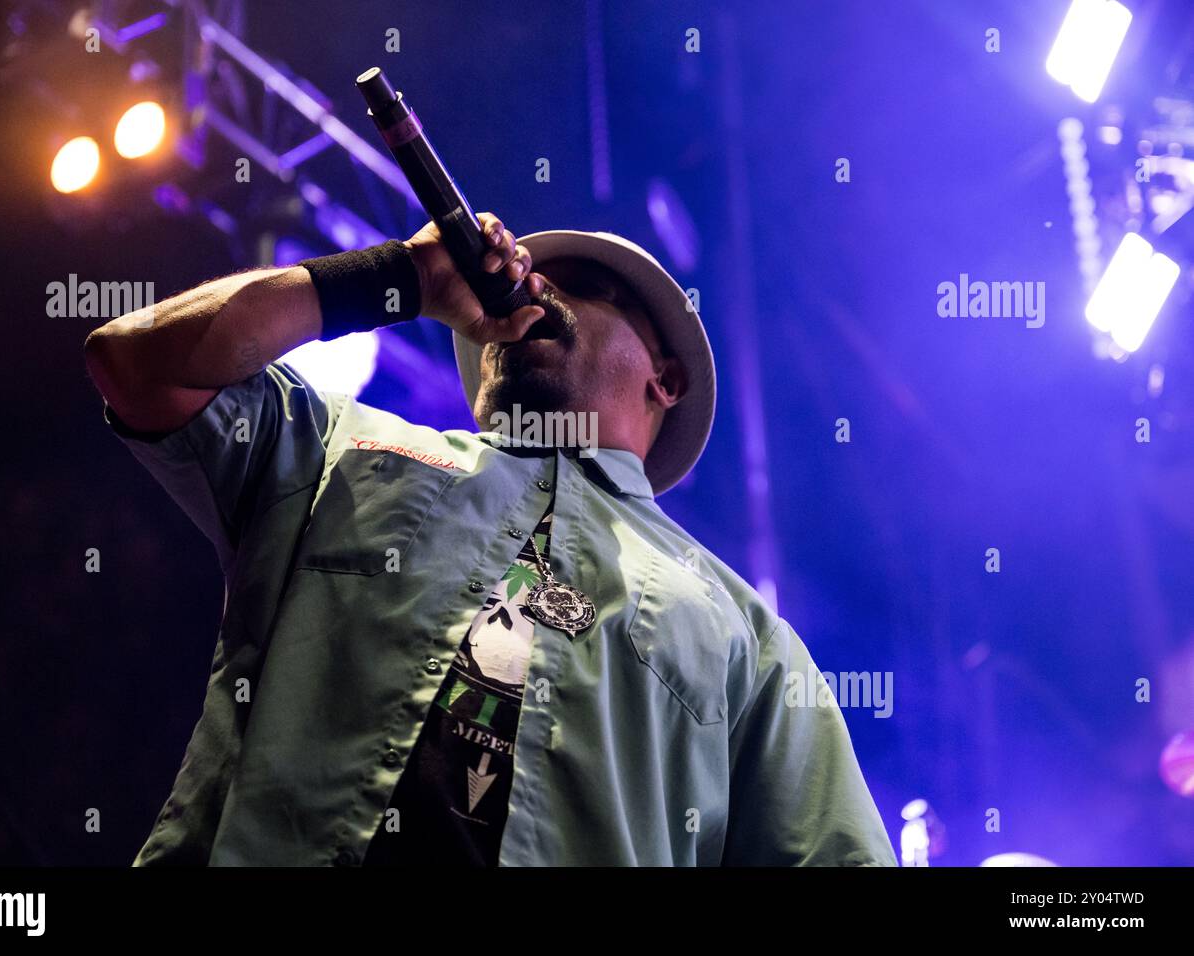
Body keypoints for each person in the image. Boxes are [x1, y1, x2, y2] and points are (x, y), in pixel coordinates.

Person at [84, 212, 897, 866]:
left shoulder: (748, 637)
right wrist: (400, 277)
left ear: (666, 377)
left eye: (583, 287)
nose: (538, 286)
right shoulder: (339, 449)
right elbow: (136, 363)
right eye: (537, 279)